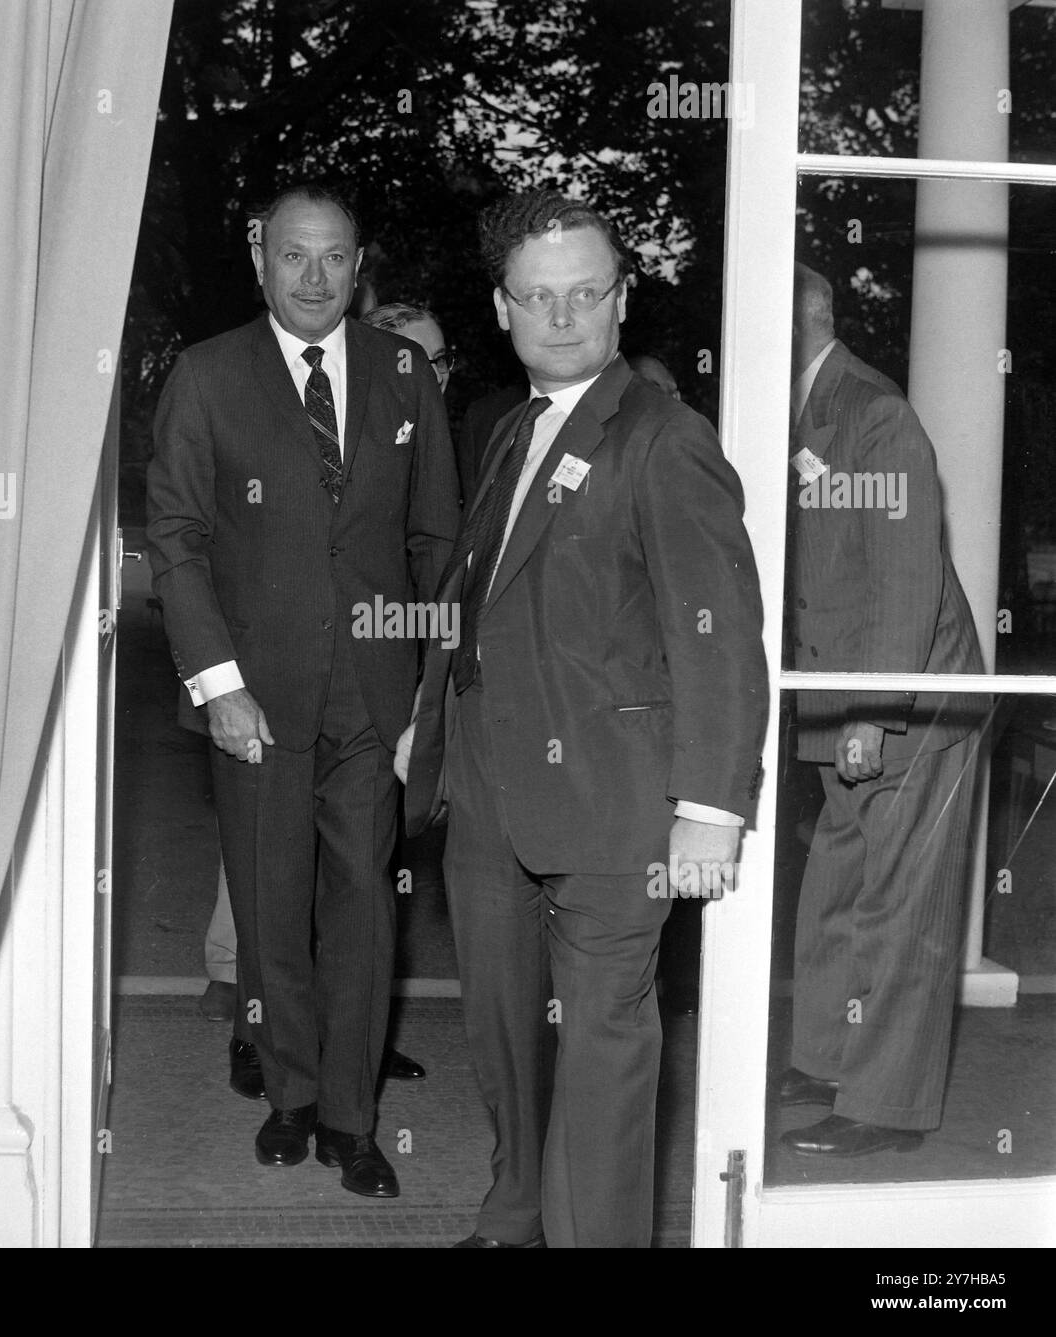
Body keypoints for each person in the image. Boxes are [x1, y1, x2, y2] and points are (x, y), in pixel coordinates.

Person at [399, 188, 769, 1247]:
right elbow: (481, 604)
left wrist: (709, 807)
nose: (562, 317)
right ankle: (515, 1211)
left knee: (604, 1053)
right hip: (489, 799)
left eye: (585, 293)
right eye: (537, 296)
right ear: (503, 307)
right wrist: (427, 733)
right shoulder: (514, 427)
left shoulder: (663, 439)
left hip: (615, 809)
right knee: (505, 1034)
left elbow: (718, 634)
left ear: (621, 299)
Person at [147, 183, 459, 1198]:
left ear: (358, 264)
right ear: (259, 261)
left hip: (374, 697)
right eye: (294, 256)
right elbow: (179, 543)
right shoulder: (204, 377)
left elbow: (434, 541)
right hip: (256, 700)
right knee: (272, 908)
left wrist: (425, 687)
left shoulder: (404, 371)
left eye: (334, 257)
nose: (315, 277)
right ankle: (287, 1092)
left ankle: (351, 1117)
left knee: (365, 907)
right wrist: (217, 682)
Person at [778, 264, 984, 1156]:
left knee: (903, 904)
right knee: (837, 887)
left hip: (908, 698)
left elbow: (905, 576)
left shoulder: (873, 413)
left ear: (804, 317)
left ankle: (887, 1106)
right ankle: (827, 1056)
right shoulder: (801, 411)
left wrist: (873, 708)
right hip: (844, 693)